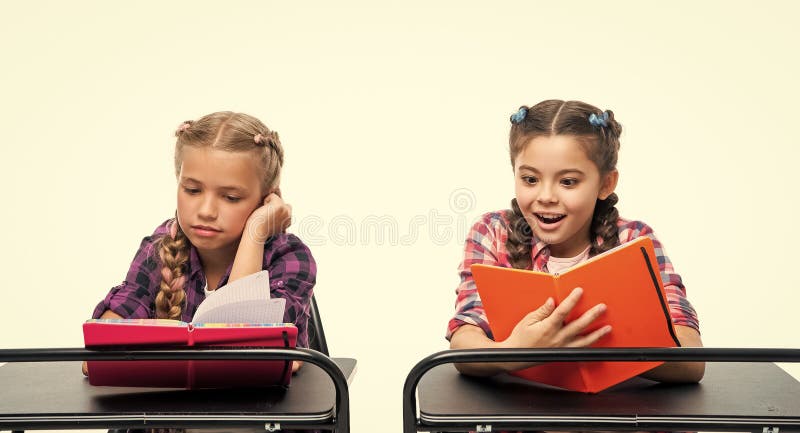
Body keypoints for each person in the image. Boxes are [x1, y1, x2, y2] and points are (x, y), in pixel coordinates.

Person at [447, 99, 704, 382]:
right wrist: (517, 351)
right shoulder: (493, 232)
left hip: (615, 417)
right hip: (521, 416)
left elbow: (691, 361)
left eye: (568, 182)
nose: (546, 196)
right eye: (530, 179)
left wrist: (599, 342)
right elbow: (463, 341)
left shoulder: (633, 240)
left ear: (605, 183)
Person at [88, 111, 315, 374]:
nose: (206, 210)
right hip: (170, 413)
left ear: (267, 200)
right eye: (192, 190)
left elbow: (244, 360)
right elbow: (99, 356)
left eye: (230, 197)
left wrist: (255, 231)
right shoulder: (159, 248)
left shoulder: (290, 258)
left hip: (256, 412)